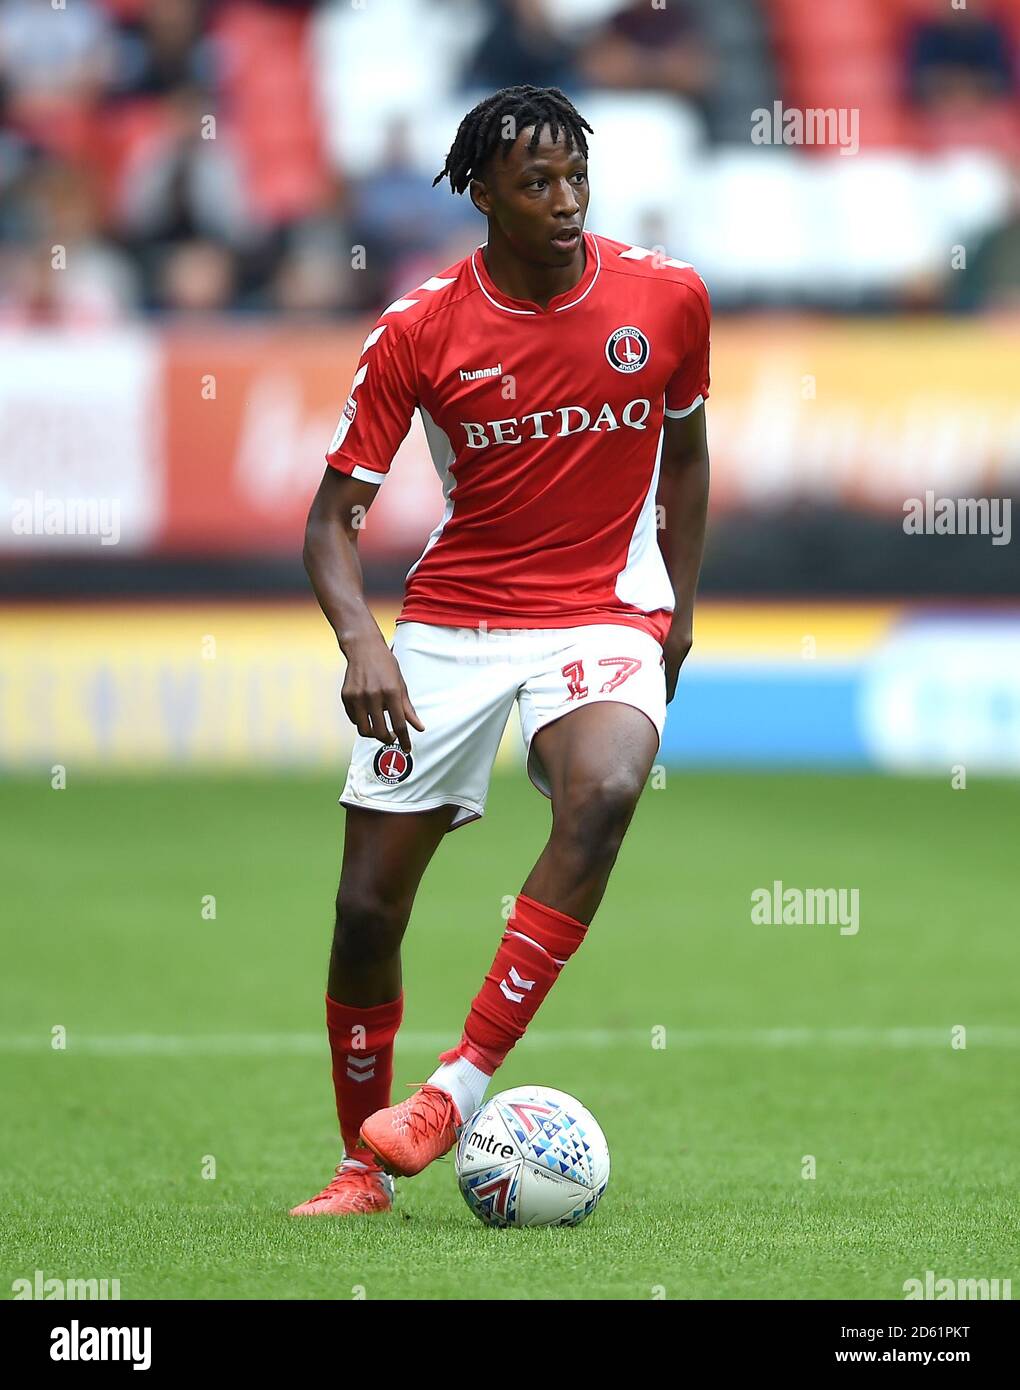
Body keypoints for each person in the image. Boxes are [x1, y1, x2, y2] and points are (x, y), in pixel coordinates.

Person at [292, 84, 711, 1216]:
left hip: (605, 609)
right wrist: (362, 641)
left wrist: (680, 605)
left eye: (578, 178)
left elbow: (685, 458)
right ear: (480, 195)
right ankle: (356, 1167)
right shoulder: (421, 329)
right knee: (368, 912)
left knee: (608, 788)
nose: (566, 202)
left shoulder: (667, 298)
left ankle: (453, 1091)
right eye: (537, 184)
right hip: (455, 624)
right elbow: (329, 521)